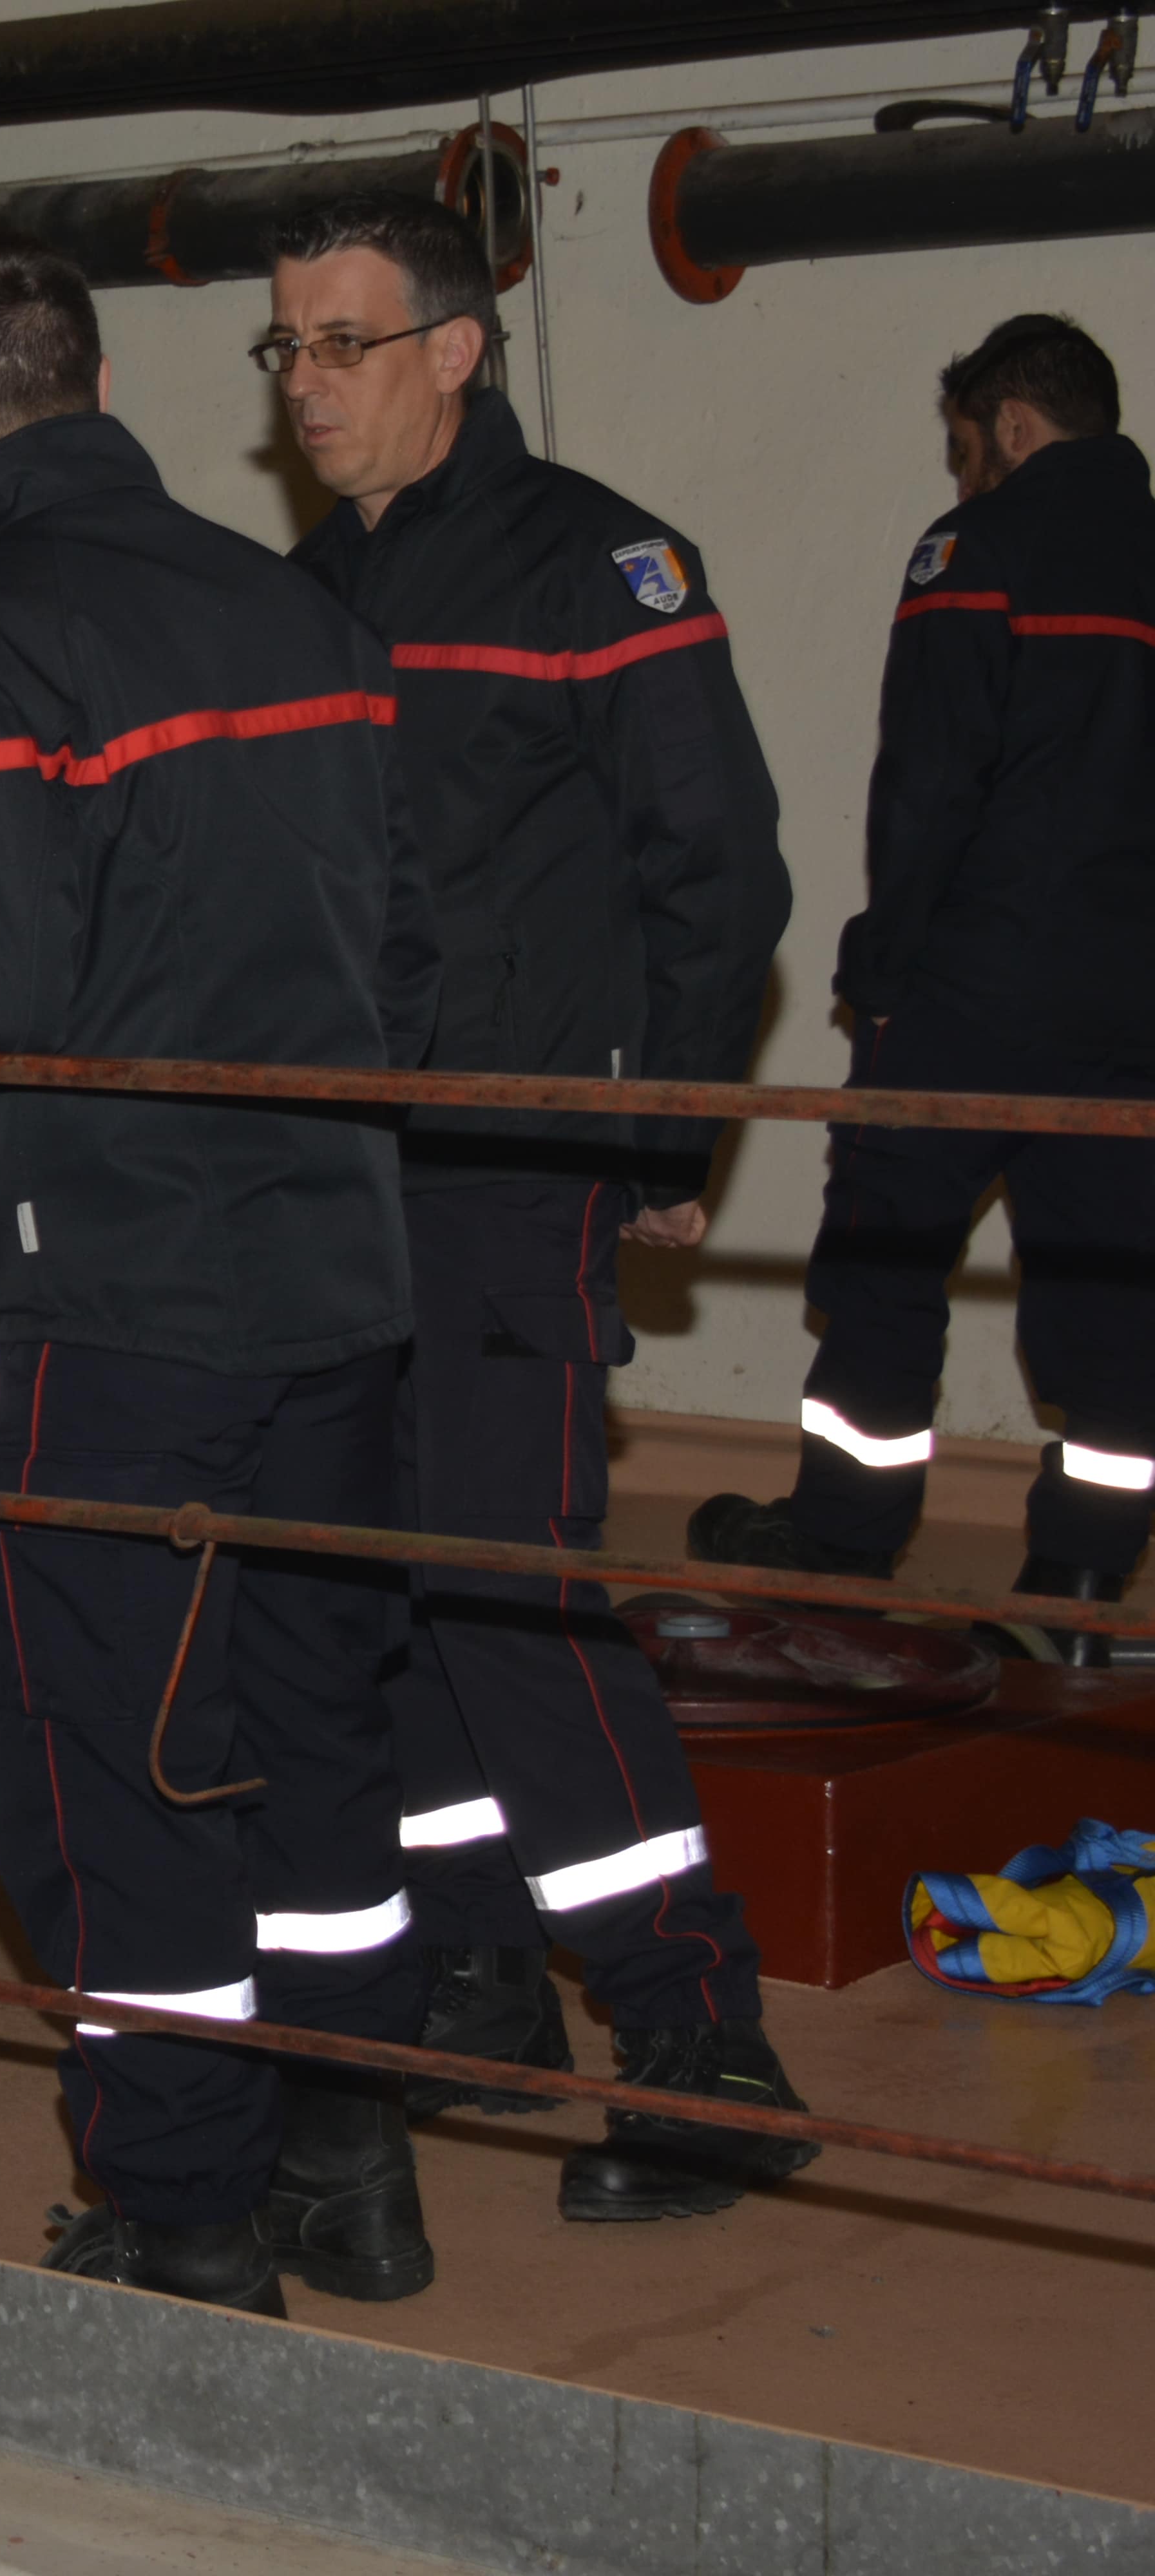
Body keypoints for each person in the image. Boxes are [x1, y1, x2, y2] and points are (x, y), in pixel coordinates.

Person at [0, 243, 435, 2315]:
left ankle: (181, 2206)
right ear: (103, 379)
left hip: (116, 1291)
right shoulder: (288, 599)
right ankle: (353, 2161)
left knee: (114, 1761)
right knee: (318, 1737)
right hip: (338, 1265)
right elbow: (400, 945)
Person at [266, 193, 815, 2225]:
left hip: (514, 1169)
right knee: (377, 1593)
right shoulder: (308, 593)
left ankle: (699, 2042)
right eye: (285, 351)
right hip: (338, 1181)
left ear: (454, 348)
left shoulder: (602, 563)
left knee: (509, 1589)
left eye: (341, 343)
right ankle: (478, 1981)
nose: (306, 385)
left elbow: (726, 871)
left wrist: (656, 1138)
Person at [694, 313, 1155, 1665]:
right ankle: (1079, 1579)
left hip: (975, 985)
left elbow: (932, 783)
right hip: (1135, 1013)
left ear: (1012, 425)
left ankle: (843, 1538)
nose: (961, 479)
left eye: (966, 451)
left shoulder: (981, 552)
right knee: (1118, 1295)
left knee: (886, 1254)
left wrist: (880, 969)